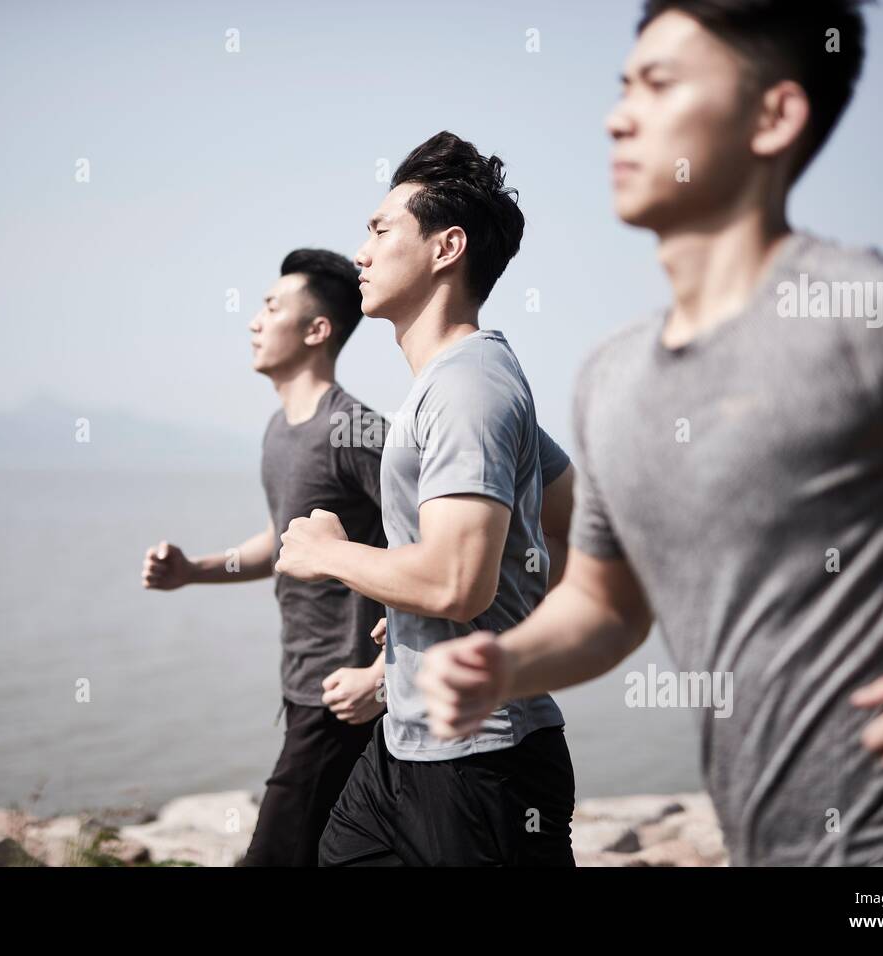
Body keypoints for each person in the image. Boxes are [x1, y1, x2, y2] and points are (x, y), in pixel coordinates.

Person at [419, 0, 883, 866]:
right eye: (624, 84)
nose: (618, 115)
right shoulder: (613, 378)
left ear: (774, 116)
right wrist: (505, 665)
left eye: (660, 84)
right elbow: (605, 607)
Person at [275, 132, 578, 865]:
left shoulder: (468, 388)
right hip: (404, 752)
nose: (362, 253)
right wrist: (447, 624)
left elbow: (455, 581)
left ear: (446, 248)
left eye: (380, 230)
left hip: (484, 766)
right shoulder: (452, 385)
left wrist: (334, 553)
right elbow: (572, 516)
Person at [143, 249, 387, 866]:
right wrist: (193, 570)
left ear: (317, 330)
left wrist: (385, 676)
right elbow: (284, 540)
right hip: (306, 682)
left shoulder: (354, 430)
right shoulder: (280, 430)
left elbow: (434, 546)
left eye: (273, 306)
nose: (255, 320)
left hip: (347, 691)